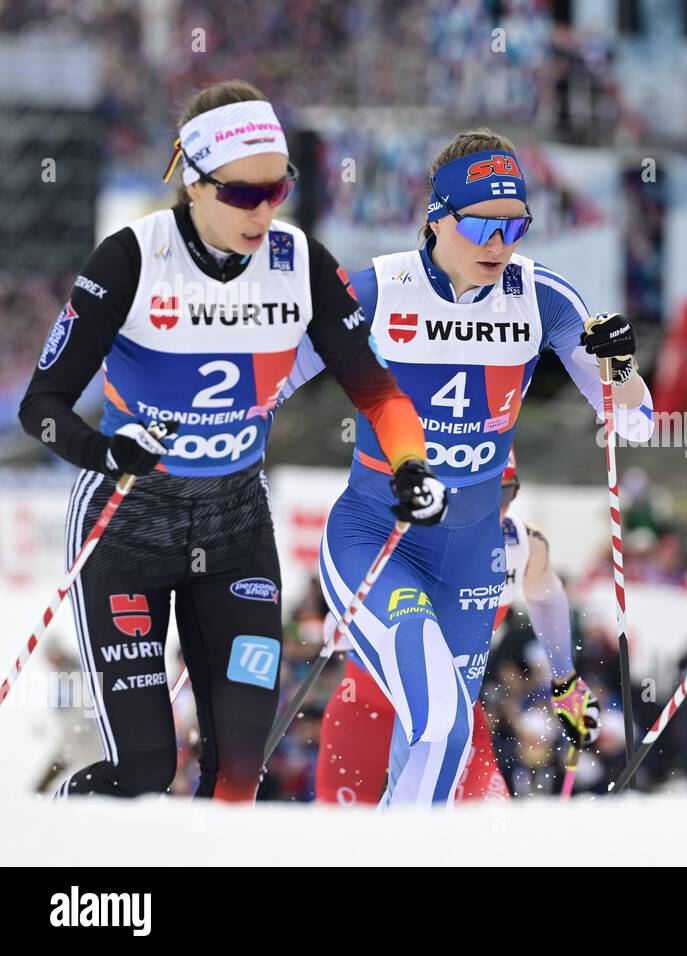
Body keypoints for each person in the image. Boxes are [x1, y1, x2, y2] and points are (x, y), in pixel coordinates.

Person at [18, 80, 430, 800]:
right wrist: (105, 451)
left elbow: (380, 391)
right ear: (194, 183)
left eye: (277, 189)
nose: (264, 210)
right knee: (143, 771)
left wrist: (410, 464)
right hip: (128, 526)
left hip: (234, 523)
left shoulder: (301, 263)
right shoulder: (131, 259)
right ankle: (63, 840)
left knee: (240, 771)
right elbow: (42, 407)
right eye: (242, 195)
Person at [285, 128, 652, 807]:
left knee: (444, 747)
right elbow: (272, 379)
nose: (499, 243)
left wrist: (621, 364)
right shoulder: (379, 287)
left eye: (514, 224)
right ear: (437, 217)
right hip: (378, 538)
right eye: (481, 224)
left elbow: (634, 416)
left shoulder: (542, 298)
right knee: (443, 725)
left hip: (471, 560)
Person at [314, 451, 601, 804]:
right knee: (341, 841)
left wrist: (565, 682)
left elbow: (546, 596)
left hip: (455, 717)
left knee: (491, 828)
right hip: (371, 706)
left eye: (504, 494)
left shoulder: (523, 544)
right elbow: (338, 623)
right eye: (483, 492)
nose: (492, 509)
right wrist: (341, 625)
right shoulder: (408, 539)